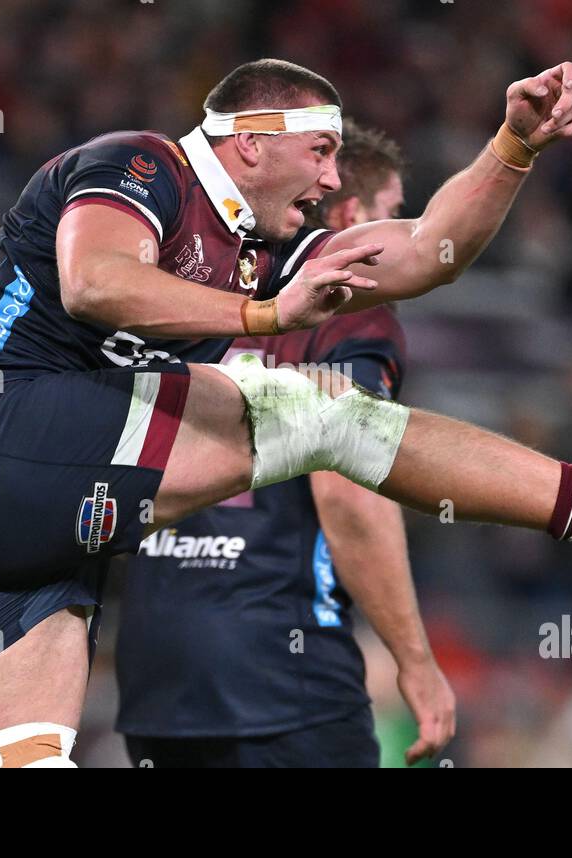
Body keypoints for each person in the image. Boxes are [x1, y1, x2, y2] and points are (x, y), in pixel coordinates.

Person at [0, 58, 572, 768]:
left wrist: (514, 148)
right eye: (320, 150)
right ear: (251, 140)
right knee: (328, 415)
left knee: (20, 756)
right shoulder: (143, 167)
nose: (332, 178)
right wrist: (262, 318)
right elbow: (93, 283)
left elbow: (426, 253)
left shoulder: (262, 253)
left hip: (0, 520)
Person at [117, 119, 454, 768]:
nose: (402, 236)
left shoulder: (190, 294)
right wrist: (415, 661)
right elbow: (348, 484)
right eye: (392, 215)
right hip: (284, 675)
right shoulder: (354, 306)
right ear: (355, 218)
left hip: (158, 676)